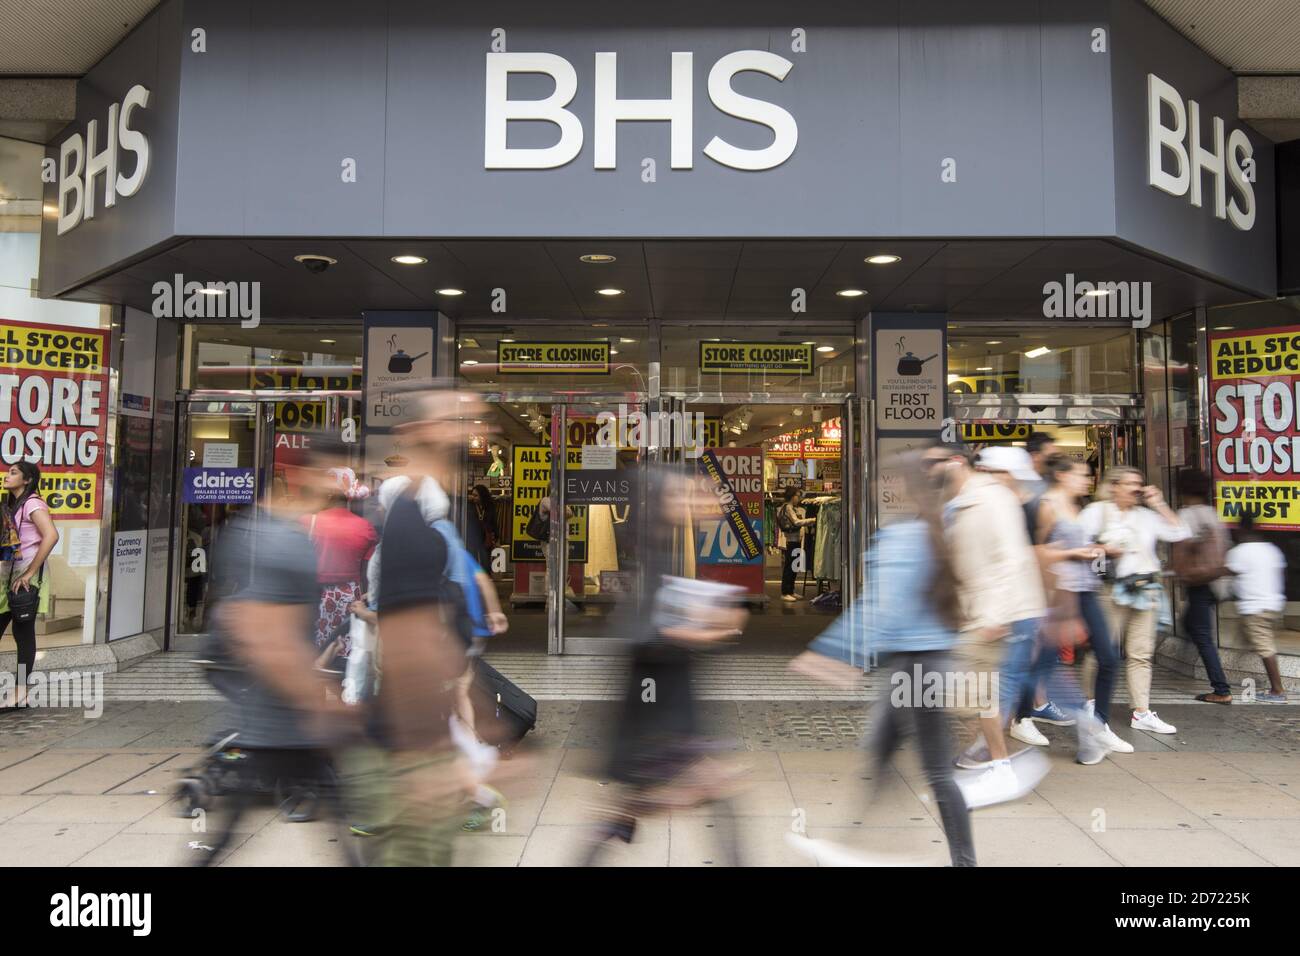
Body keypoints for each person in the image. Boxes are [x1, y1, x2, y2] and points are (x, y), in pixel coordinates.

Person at [788, 450, 976, 866]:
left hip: (916, 667)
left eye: (884, 479)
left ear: (901, 487)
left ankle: (963, 862)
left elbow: (880, 605)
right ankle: (850, 844)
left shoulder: (904, 537)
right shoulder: (935, 529)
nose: (879, 487)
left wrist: (837, 653)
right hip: (927, 663)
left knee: (937, 772)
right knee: (881, 752)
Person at [583, 467, 748, 866]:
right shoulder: (652, 555)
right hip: (657, 718)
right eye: (679, 497)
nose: (689, 502)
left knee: (630, 810)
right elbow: (645, 636)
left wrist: (702, 623)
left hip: (661, 713)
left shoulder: (660, 549)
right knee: (709, 792)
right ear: (657, 504)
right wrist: (707, 630)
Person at [922, 442, 1059, 808]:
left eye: (932, 463)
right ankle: (990, 763)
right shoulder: (956, 502)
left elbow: (1010, 558)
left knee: (978, 693)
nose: (927, 471)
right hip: (974, 613)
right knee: (972, 694)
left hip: (996, 613)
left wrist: (995, 616)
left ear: (955, 462)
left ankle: (1000, 767)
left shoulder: (990, 499)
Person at [1078, 467, 1190, 735]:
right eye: (1130, 483)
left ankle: (1141, 712)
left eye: (1139, 483)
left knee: (1141, 653)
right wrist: (1103, 550)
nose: (1135, 488)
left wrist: (1159, 504)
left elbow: (1180, 532)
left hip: (1144, 588)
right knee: (1102, 651)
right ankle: (1089, 703)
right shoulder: (1096, 512)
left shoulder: (1146, 516)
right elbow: (1074, 544)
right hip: (1110, 589)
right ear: (1114, 486)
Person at [1034, 455, 1134, 755]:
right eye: (1081, 475)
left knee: (1109, 656)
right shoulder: (1047, 506)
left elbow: (1073, 548)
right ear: (1063, 476)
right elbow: (1038, 554)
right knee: (1042, 664)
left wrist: (1101, 550)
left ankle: (1099, 725)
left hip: (1085, 589)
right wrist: (1076, 553)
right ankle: (1016, 719)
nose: (1087, 480)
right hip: (1061, 593)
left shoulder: (1076, 507)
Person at [301, 468, 378, 665]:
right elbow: (368, 571)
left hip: (316, 596)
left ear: (327, 494)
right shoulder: (365, 528)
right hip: (350, 598)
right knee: (347, 656)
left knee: (314, 655)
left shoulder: (308, 522)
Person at [0, 462, 59, 711]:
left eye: (14, 472)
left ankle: (21, 691)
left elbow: (52, 535)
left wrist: (31, 572)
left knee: (23, 634)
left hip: (24, 579)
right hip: (9, 577)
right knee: (20, 634)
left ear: (27, 479)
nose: (7, 475)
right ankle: (20, 692)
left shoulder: (32, 503)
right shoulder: (13, 504)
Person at [1173, 469, 1234, 704]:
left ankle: (1221, 689)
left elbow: (1182, 545)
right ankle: (1189, 655)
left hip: (1200, 582)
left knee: (1202, 634)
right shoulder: (1212, 513)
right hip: (1216, 581)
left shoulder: (1187, 515)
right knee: (1191, 625)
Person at [1225, 510, 1289, 703]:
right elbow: (1282, 575)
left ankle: (1277, 690)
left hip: (1255, 608)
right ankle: (1237, 675)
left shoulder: (1238, 552)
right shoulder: (1271, 549)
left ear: (1239, 529)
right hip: (1272, 604)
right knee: (1245, 638)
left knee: (1264, 646)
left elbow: (1225, 573)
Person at [777, 487, 816, 602]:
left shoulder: (791, 507)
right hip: (792, 540)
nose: (798, 498)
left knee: (793, 566)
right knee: (789, 566)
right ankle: (785, 592)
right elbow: (796, 522)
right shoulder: (788, 507)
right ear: (792, 496)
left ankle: (791, 590)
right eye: (797, 496)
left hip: (795, 540)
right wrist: (812, 520)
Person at [466, 484, 498, 569]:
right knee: (473, 561)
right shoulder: (470, 506)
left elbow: (493, 522)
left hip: (485, 538)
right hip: (473, 538)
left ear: (482, 496)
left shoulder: (489, 507)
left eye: (476, 495)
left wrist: (497, 538)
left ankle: (485, 576)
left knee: (485, 562)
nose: (473, 497)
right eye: (472, 495)